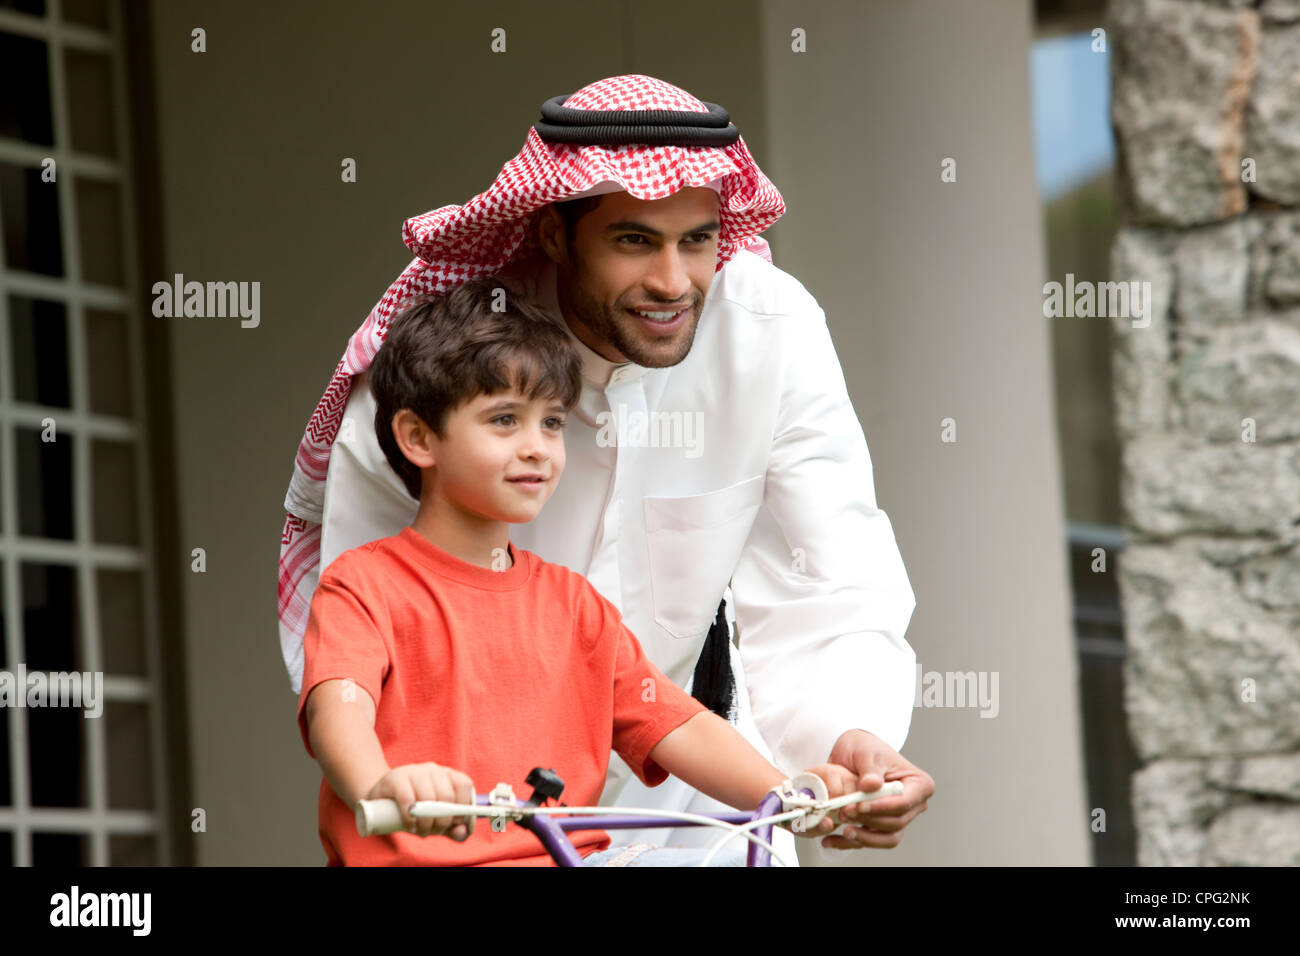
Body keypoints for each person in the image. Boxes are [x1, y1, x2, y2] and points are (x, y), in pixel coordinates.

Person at [279, 74, 933, 865]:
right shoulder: (440, 357)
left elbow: (822, 588)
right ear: (554, 233)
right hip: (453, 824)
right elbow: (349, 680)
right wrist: (383, 781)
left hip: (696, 818)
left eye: (697, 240)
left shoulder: (769, 331)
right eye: (633, 241)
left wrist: (827, 763)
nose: (672, 282)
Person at [296, 280, 863, 866]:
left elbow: (675, 723)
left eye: (552, 423)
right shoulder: (362, 586)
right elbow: (339, 707)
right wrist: (380, 785)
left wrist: (789, 794)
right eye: (504, 420)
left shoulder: (573, 604)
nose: (539, 447)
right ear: (419, 438)